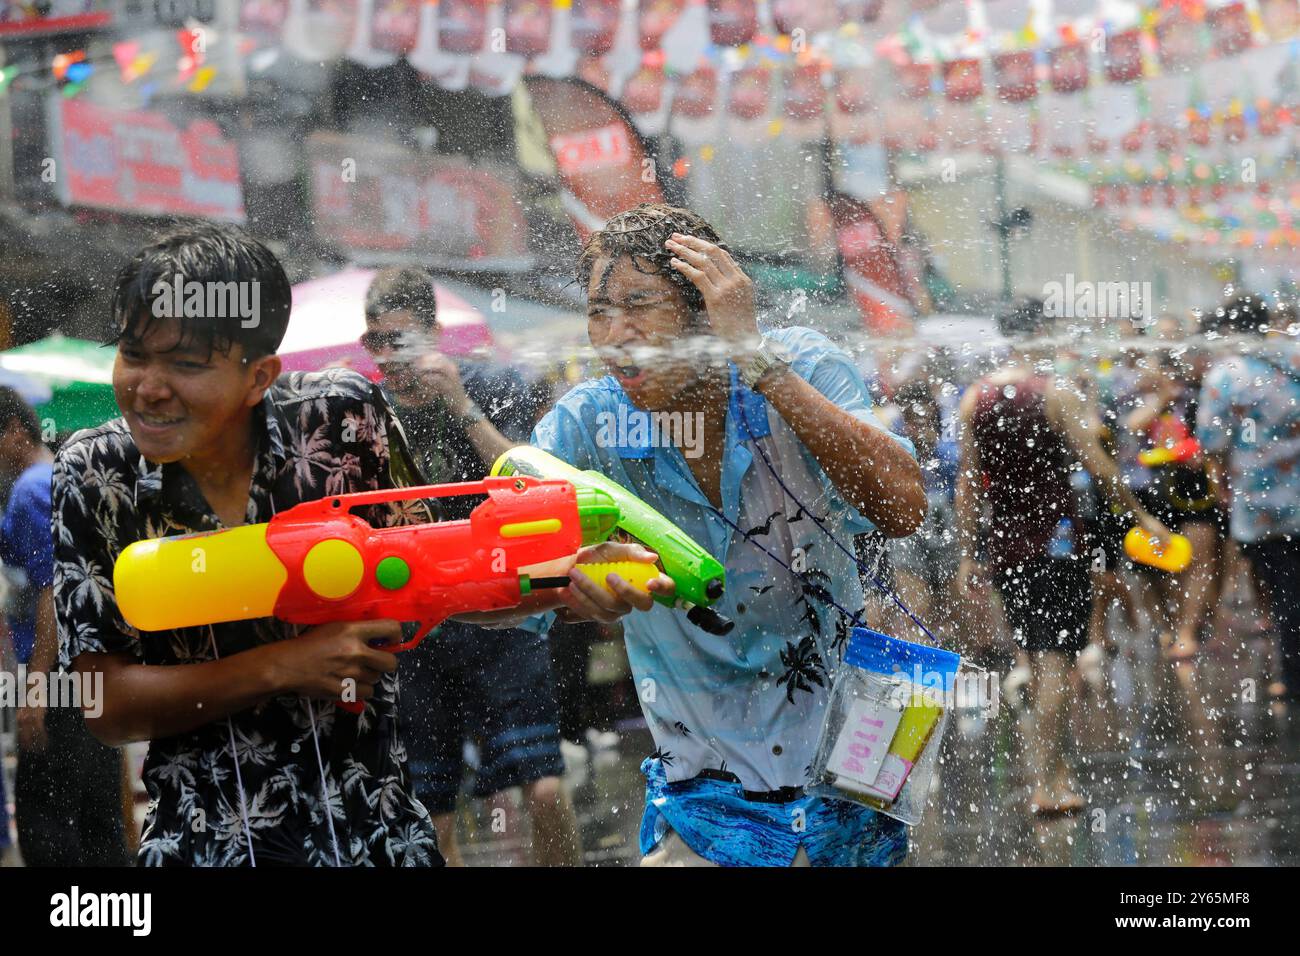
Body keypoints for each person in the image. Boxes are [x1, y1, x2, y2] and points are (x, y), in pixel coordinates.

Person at [53, 224, 662, 866]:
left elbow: (433, 578)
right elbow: (105, 705)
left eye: (185, 365)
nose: (148, 386)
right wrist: (283, 667)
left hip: (377, 837)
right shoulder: (96, 474)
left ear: (259, 374)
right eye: (134, 353)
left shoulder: (341, 420)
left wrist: (561, 579)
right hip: (207, 846)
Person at [528, 202, 927, 866]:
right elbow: (494, 579)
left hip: (856, 760)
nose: (614, 334)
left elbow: (902, 508)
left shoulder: (798, 364)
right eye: (599, 310)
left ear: (707, 310)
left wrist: (760, 363)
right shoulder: (589, 425)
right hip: (704, 795)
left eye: (638, 304)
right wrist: (565, 579)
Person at [361, 267, 583, 866]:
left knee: (540, 781)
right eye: (375, 344)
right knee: (429, 805)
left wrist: (459, 403)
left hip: (504, 610)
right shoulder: (370, 412)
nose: (389, 358)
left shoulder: (489, 383)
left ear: (433, 335)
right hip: (418, 623)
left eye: (400, 341)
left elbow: (528, 486)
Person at [955, 298, 1172, 816]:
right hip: (1057, 546)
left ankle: (1052, 771)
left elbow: (967, 484)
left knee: (1033, 655)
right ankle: (1044, 784)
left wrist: (968, 553)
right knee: (1055, 662)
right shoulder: (1054, 395)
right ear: (1039, 335)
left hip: (1007, 549)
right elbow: (1097, 466)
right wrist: (1142, 517)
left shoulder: (973, 398)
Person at [0, 387, 130, 865]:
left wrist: (35, 690)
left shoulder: (30, 489)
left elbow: (53, 588)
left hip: (55, 674)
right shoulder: (60, 475)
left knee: (46, 820)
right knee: (98, 816)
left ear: (15, 431)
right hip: (89, 665)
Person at [1197, 294, 1300, 724]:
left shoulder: (1229, 374)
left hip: (1261, 505)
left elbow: (1211, 440)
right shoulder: (1293, 359)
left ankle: (1292, 675)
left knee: (1283, 590)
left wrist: (1220, 476)